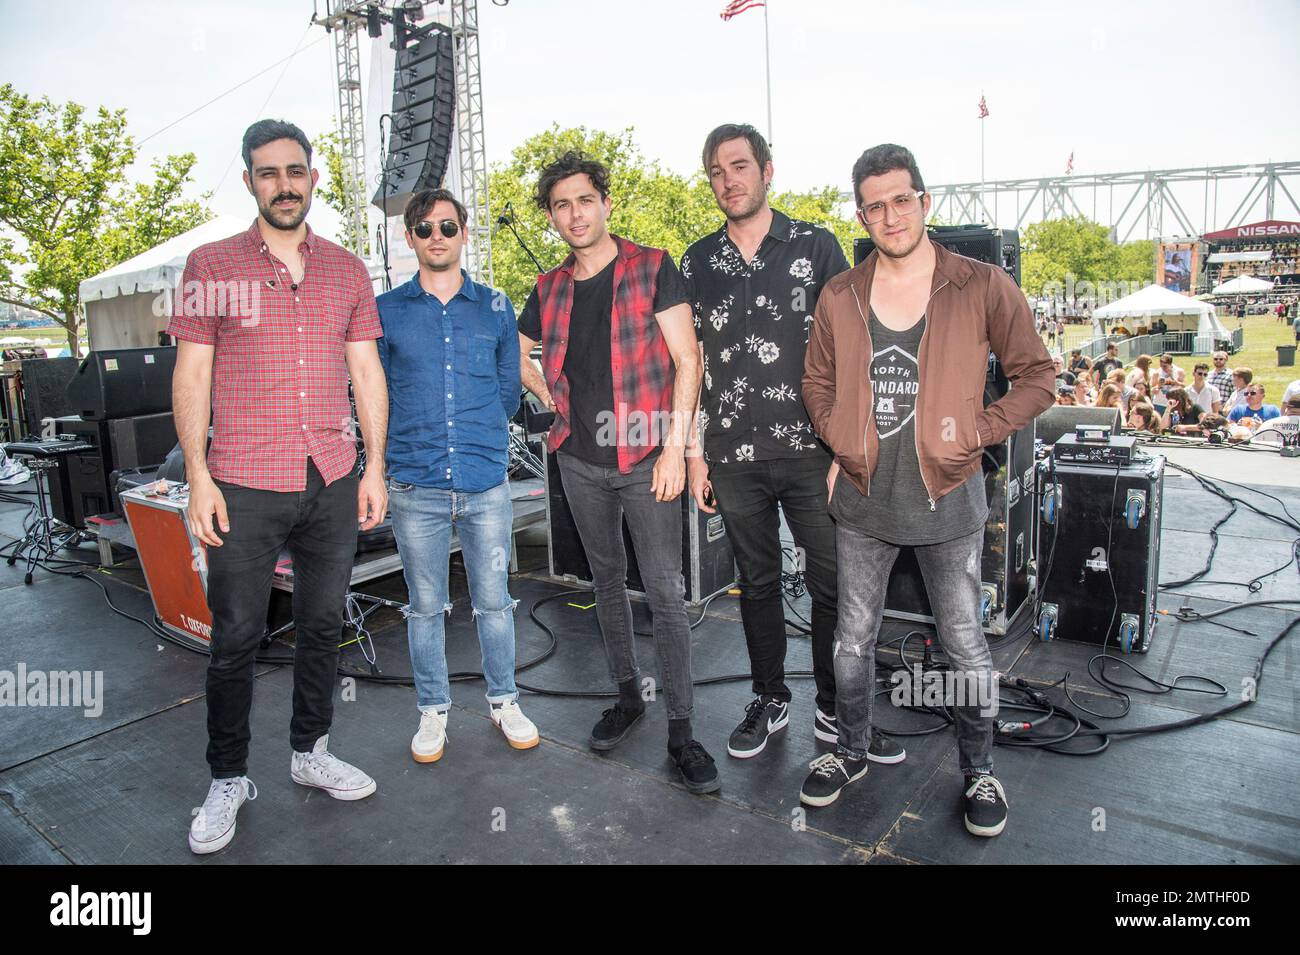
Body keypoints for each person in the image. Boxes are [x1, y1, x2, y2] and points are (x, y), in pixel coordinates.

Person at [801, 143, 1054, 836]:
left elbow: (1037, 375)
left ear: (925, 202)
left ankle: (979, 768)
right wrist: (839, 435)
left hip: (949, 501)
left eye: (901, 199)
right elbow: (815, 382)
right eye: (875, 205)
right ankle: (849, 750)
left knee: (965, 646)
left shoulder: (981, 284)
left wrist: (980, 428)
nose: (890, 214)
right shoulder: (841, 294)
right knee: (852, 641)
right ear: (862, 214)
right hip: (862, 502)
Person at [170, 120, 388, 855]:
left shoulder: (347, 269)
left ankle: (310, 748)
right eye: (269, 173)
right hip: (241, 481)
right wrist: (197, 476)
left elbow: (366, 372)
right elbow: (192, 373)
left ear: (314, 177)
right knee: (235, 637)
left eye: (296, 170)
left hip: (330, 476)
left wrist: (375, 466)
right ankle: (228, 776)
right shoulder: (210, 263)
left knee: (325, 624)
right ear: (249, 181)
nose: (285, 184)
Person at [678, 124, 894, 762]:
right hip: (732, 455)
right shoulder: (695, 262)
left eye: (740, 166)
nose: (729, 181)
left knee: (833, 587)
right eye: (717, 171)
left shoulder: (816, 246)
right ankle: (770, 697)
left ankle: (835, 708)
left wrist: (846, 451)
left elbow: (853, 350)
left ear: (767, 171)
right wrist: (693, 452)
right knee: (758, 582)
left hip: (813, 454)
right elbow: (686, 364)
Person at [515, 151, 720, 793]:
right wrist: (552, 401)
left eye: (584, 200)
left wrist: (674, 448)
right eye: (560, 205)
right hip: (579, 460)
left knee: (664, 590)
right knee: (604, 582)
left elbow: (689, 360)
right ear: (552, 218)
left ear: (604, 203)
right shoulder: (547, 288)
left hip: (645, 459)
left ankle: (682, 730)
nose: (574, 214)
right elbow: (520, 353)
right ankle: (629, 697)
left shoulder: (654, 266)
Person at [376, 188, 538, 763]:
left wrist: (483, 430)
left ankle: (504, 701)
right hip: (415, 483)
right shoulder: (385, 310)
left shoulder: (495, 305)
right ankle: (433, 711)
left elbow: (507, 383)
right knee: (425, 605)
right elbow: (376, 390)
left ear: (464, 233)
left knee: (494, 601)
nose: (437, 236)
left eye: (448, 226)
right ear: (411, 238)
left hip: (485, 480)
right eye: (425, 228)